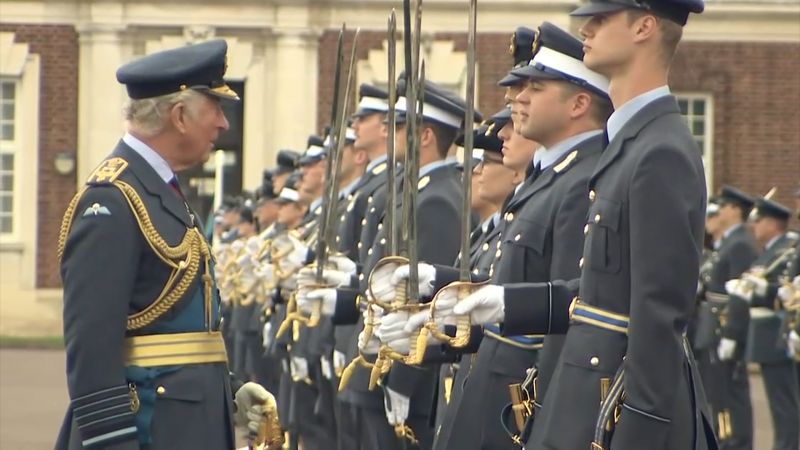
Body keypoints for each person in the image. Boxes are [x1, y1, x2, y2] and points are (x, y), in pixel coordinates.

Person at [55, 40, 275, 450]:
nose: (224, 124)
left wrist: (228, 391)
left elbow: (176, 330)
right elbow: (92, 347)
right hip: (148, 432)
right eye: (215, 108)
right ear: (179, 116)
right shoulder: (113, 199)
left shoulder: (158, 188)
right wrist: (112, 442)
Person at [725, 197, 799, 450]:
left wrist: (765, 290)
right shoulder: (770, 252)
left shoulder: (786, 249)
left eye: (759, 221)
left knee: (785, 407)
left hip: (778, 333)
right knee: (779, 407)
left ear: (772, 223)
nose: (754, 226)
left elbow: (785, 294)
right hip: (768, 336)